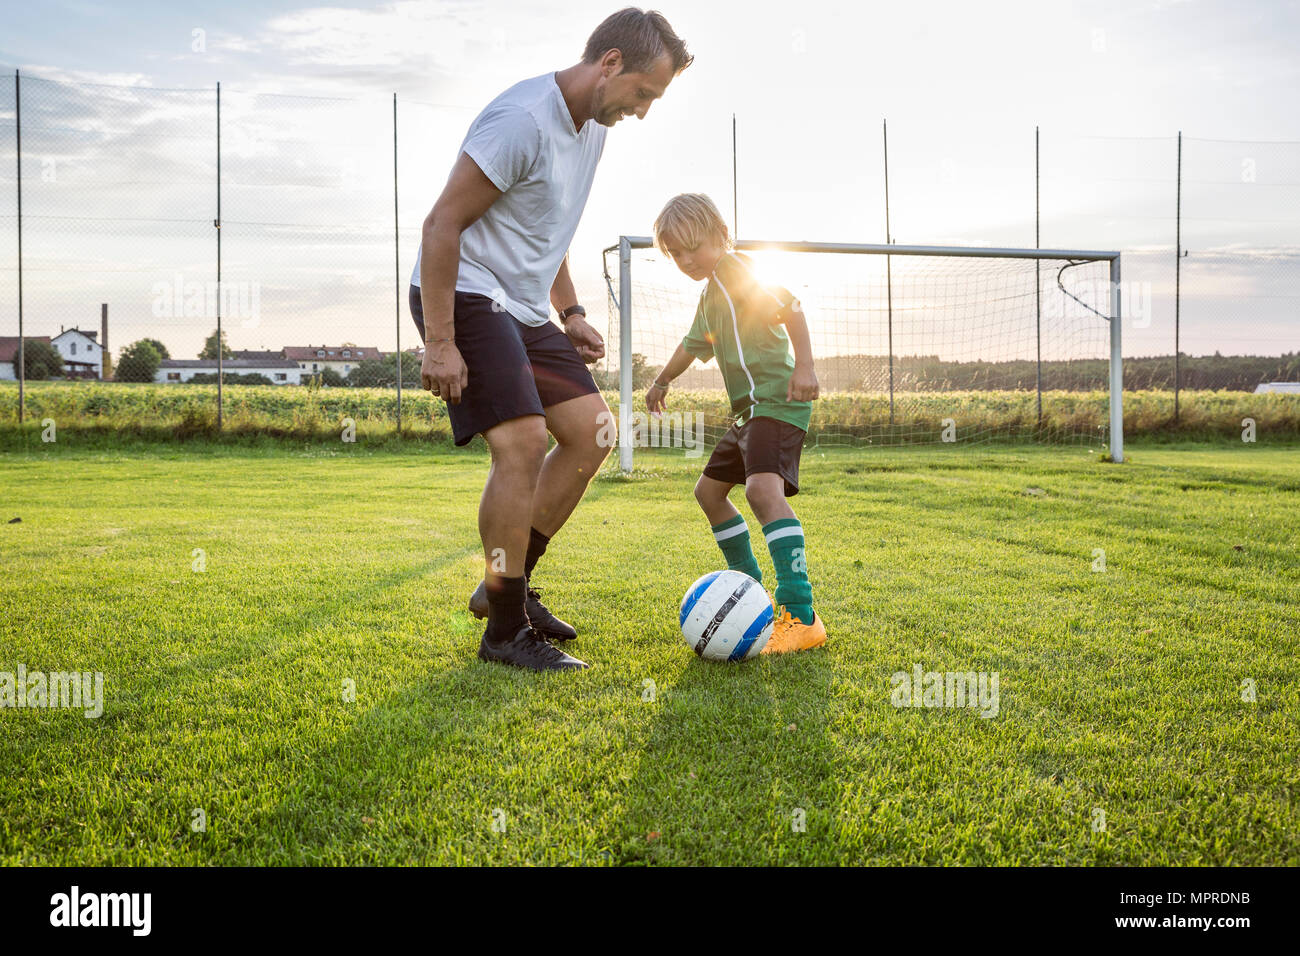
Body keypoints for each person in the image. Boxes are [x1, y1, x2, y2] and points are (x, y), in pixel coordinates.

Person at [413, 9, 693, 671]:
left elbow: (549, 227)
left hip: (526, 306)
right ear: (611, 63)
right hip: (466, 292)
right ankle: (505, 633)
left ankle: (506, 585)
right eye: (644, 94)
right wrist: (440, 340)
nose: (644, 112)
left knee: (595, 432)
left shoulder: (593, 127)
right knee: (522, 442)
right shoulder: (523, 120)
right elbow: (440, 225)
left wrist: (569, 311)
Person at [646, 193, 826, 653]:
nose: (687, 260)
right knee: (708, 493)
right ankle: (751, 590)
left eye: (694, 247)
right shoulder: (710, 294)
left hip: (776, 402)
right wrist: (662, 380)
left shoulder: (737, 271)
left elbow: (793, 308)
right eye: (677, 253)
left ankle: (800, 615)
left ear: (721, 236)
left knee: (761, 491)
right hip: (747, 412)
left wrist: (805, 367)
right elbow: (692, 344)